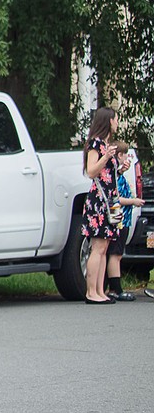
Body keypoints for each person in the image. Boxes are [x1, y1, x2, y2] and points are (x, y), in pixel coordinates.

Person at [80, 107, 121, 304]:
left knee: (105, 245)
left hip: (111, 200)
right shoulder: (96, 144)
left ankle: (100, 290)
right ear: (108, 121)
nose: (117, 123)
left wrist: (120, 169)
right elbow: (91, 171)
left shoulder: (106, 144)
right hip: (99, 201)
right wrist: (106, 157)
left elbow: (107, 175)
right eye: (116, 119)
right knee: (97, 246)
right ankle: (90, 292)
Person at [106, 141, 144, 300]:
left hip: (123, 217)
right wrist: (133, 201)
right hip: (118, 216)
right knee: (115, 252)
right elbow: (116, 198)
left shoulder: (117, 173)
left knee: (117, 252)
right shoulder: (114, 176)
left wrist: (122, 171)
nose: (127, 158)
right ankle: (116, 289)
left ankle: (110, 287)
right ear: (119, 155)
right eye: (125, 155)